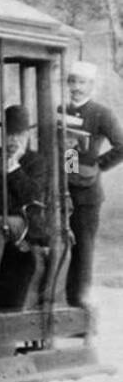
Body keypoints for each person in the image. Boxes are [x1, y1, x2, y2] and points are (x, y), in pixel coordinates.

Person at [59, 60, 123, 308]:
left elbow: (121, 146)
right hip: (62, 188)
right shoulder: (59, 109)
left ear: (91, 85)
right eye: (72, 81)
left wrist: (98, 166)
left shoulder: (101, 112)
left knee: (83, 247)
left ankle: (80, 303)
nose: (76, 87)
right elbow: (67, 152)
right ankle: (61, 300)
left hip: (86, 193)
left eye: (82, 82)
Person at [0, 105, 49, 310]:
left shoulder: (36, 161)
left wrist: (14, 168)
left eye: (19, 135)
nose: (13, 140)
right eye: (9, 134)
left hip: (26, 221)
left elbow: (32, 195)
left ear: (27, 136)